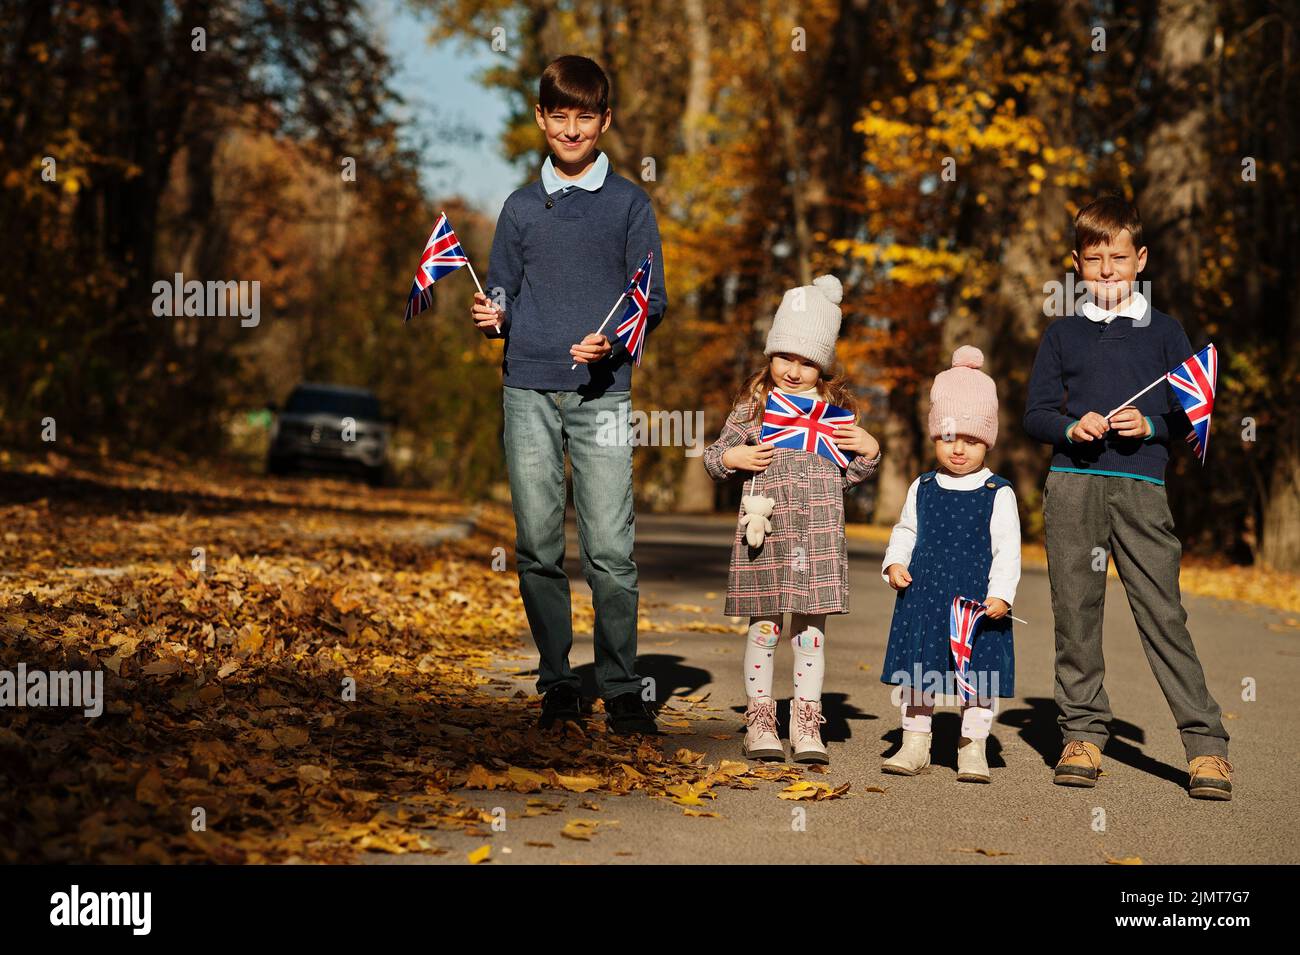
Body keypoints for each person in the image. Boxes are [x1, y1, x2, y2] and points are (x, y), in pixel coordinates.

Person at [470, 55, 667, 735]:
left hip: (603, 396)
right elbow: (501, 286)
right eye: (560, 114)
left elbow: (652, 299)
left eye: (586, 115)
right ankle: (557, 680)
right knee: (538, 545)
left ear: (605, 120)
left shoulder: (629, 205)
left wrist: (611, 342)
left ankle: (619, 685)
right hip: (527, 389)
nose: (572, 127)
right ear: (542, 118)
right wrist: (495, 314)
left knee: (611, 547)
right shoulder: (521, 206)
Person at [1023, 194, 1232, 799]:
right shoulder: (1061, 334)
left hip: (1142, 489)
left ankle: (1206, 746)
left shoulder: (1166, 332)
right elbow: (1037, 414)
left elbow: (1190, 413)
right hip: (1073, 487)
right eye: (1094, 260)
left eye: (1119, 257)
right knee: (1076, 612)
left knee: (1163, 613)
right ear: (1076, 265)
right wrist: (1069, 427)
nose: (1108, 270)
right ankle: (1082, 733)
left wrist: (1153, 426)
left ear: (1141, 259)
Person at [703, 274, 881, 763]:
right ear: (771, 354)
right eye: (786, 357)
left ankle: (806, 722)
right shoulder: (752, 408)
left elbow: (841, 477)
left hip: (818, 535)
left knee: (810, 633)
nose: (795, 371)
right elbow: (714, 458)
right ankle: (760, 719)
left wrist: (868, 453)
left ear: (822, 365)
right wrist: (734, 458)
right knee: (765, 628)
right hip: (767, 532)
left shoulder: (834, 412)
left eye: (807, 362)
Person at [879, 346, 1021, 784]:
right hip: (923, 596)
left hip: (975, 604)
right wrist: (895, 562)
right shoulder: (923, 486)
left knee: (977, 674)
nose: (958, 449)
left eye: (971, 440)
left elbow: (1008, 549)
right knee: (919, 670)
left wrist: (1001, 593)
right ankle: (915, 740)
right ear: (935, 437)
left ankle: (972, 745)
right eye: (947, 438)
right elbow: (906, 530)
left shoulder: (997, 492)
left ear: (987, 441)